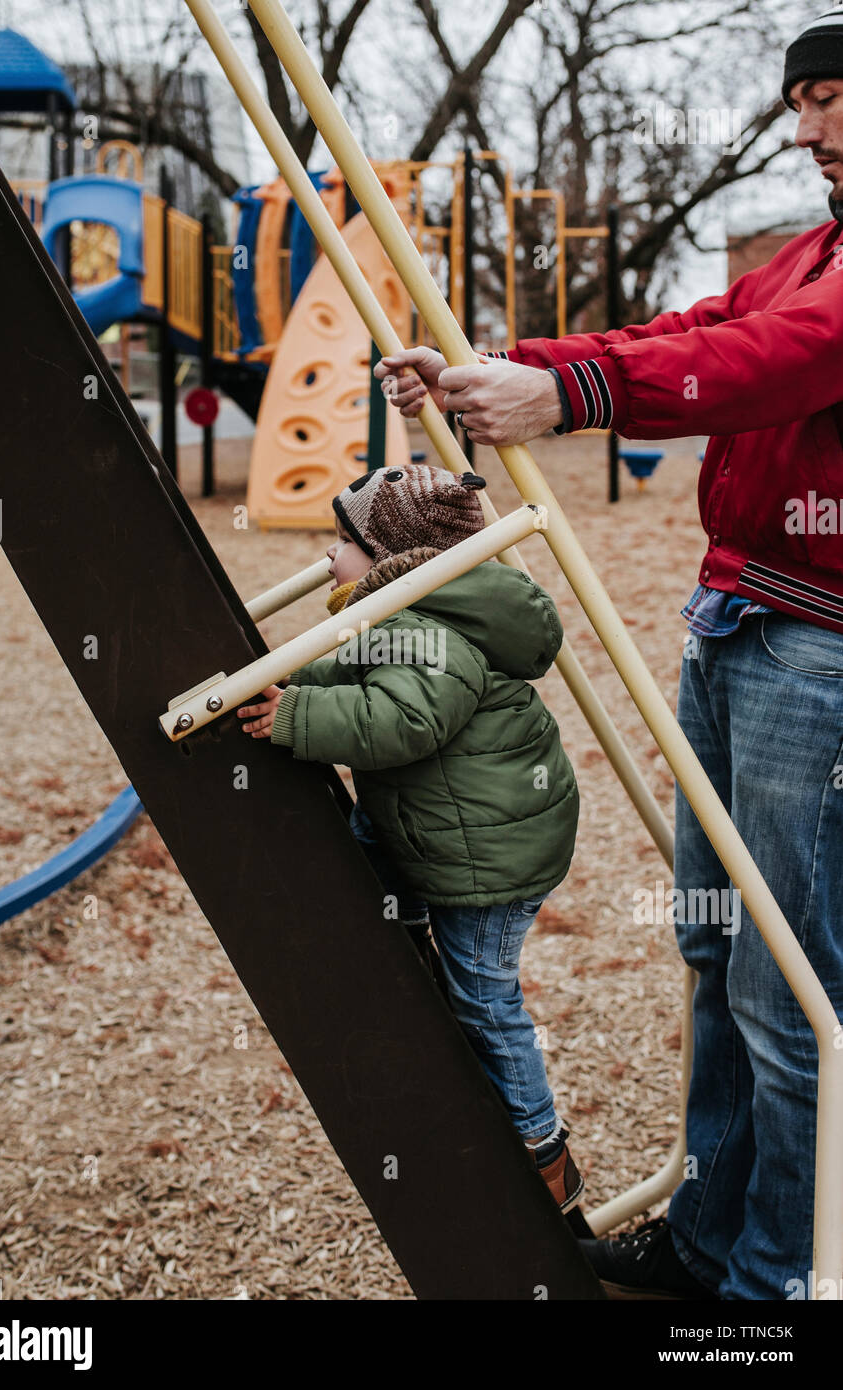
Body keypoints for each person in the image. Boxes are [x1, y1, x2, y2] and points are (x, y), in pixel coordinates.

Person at [374, 8, 843, 1302]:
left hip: (822, 648)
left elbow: (766, 365)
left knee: (788, 988)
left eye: (826, 100)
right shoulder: (808, 251)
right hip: (740, 620)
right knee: (713, 951)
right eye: (796, 104)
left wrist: (567, 400)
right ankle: (708, 1244)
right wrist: (507, 371)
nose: (802, 129)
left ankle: (769, 1283)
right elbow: (695, 328)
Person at [236, 462, 585, 1210]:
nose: (330, 557)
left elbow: (403, 720)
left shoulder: (421, 627)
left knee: (485, 997)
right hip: (448, 826)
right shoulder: (406, 611)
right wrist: (296, 684)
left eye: (344, 542)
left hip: (489, 860)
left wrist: (294, 718)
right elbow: (352, 670)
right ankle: (407, 921)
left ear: (393, 555)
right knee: (370, 849)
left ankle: (542, 1149)